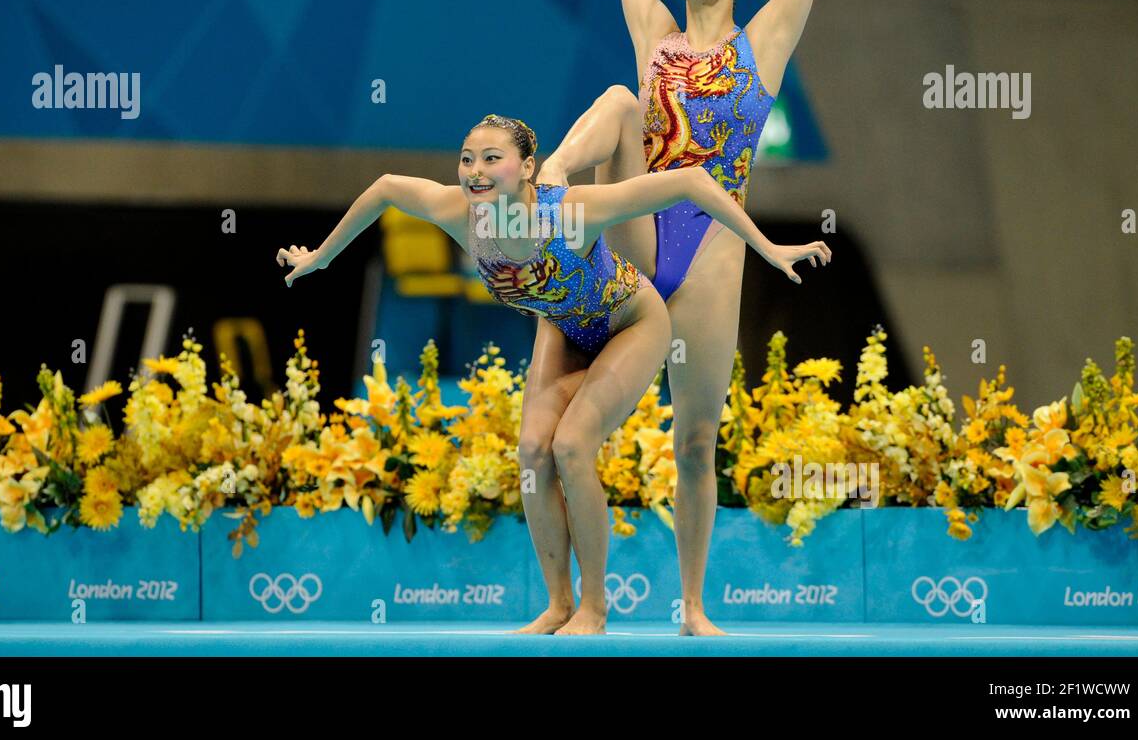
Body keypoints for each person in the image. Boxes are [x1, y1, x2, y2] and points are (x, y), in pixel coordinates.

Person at [534, 0, 938, 634]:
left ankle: (691, 604)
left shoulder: (766, 46)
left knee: (694, 439)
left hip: (714, 250)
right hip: (640, 230)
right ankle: (552, 182)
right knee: (617, 103)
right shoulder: (652, 38)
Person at [277, 113, 829, 634]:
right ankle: (559, 603)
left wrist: (767, 246)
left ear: (529, 167)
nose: (474, 172)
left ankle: (594, 606)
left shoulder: (569, 212)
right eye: (467, 159)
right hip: (563, 327)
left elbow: (688, 182)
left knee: (571, 446)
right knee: (533, 452)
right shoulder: (459, 215)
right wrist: (323, 256)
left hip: (631, 323)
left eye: (492, 159)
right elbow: (385, 187)